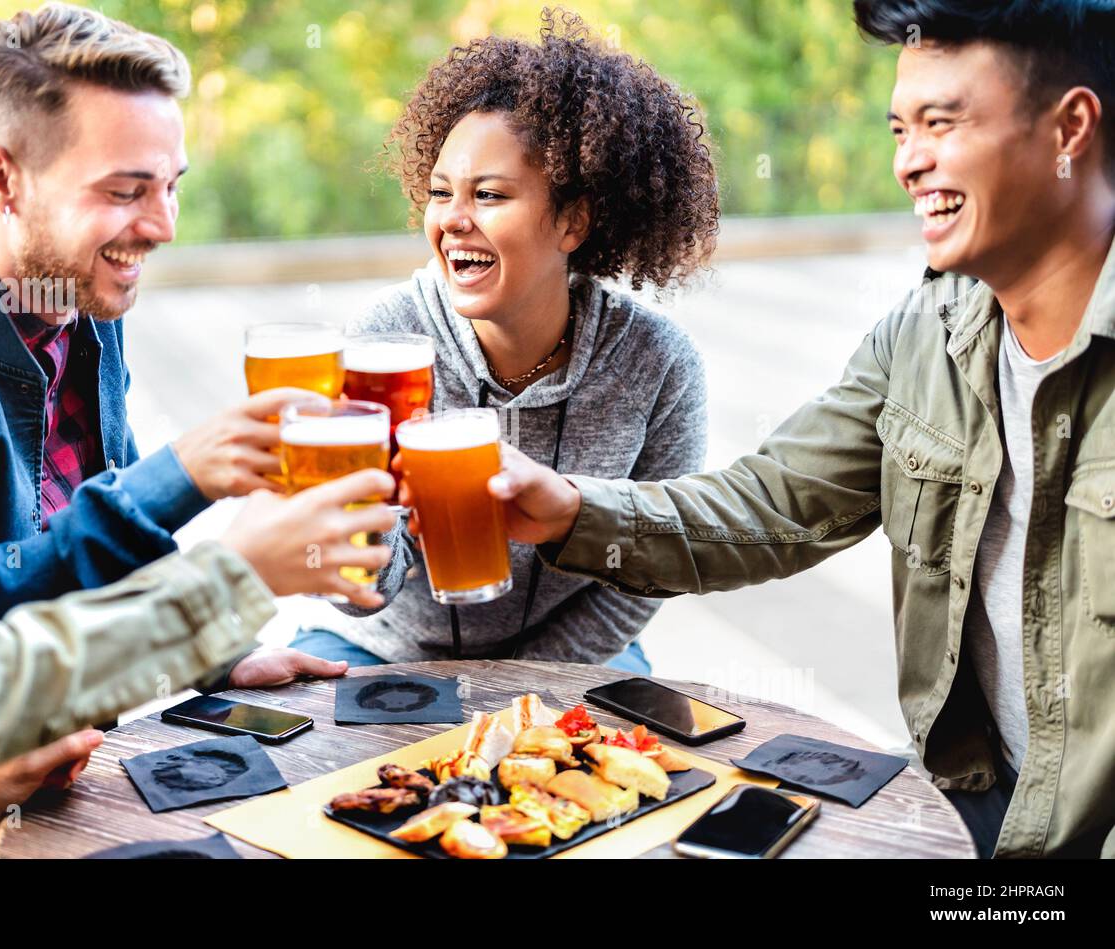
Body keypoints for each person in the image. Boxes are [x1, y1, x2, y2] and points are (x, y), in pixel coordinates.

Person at [425, 0, 1115, 859]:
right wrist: (573, 512)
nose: (910, 161)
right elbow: (773, 508)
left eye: (942, 123)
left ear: (1069, 129)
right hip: (967, 807)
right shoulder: (929, 332)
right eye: (900, 128)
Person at [0, 41, 395, 857]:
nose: (161, 226)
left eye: (172, 187)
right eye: (126, 192)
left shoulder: (81, 291)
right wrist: (194, 507)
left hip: (33, 782)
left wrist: (211, 656)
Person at [290, 8, 716, 671]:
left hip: (572, 653)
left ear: (573, 220)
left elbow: (650, 560)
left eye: (488, 195)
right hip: (381, 646)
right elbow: (360, 593)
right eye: (439, 193)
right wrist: (356, 522)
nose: (452, 220)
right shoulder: (387, 344)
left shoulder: (656, 366)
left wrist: (524, 681)